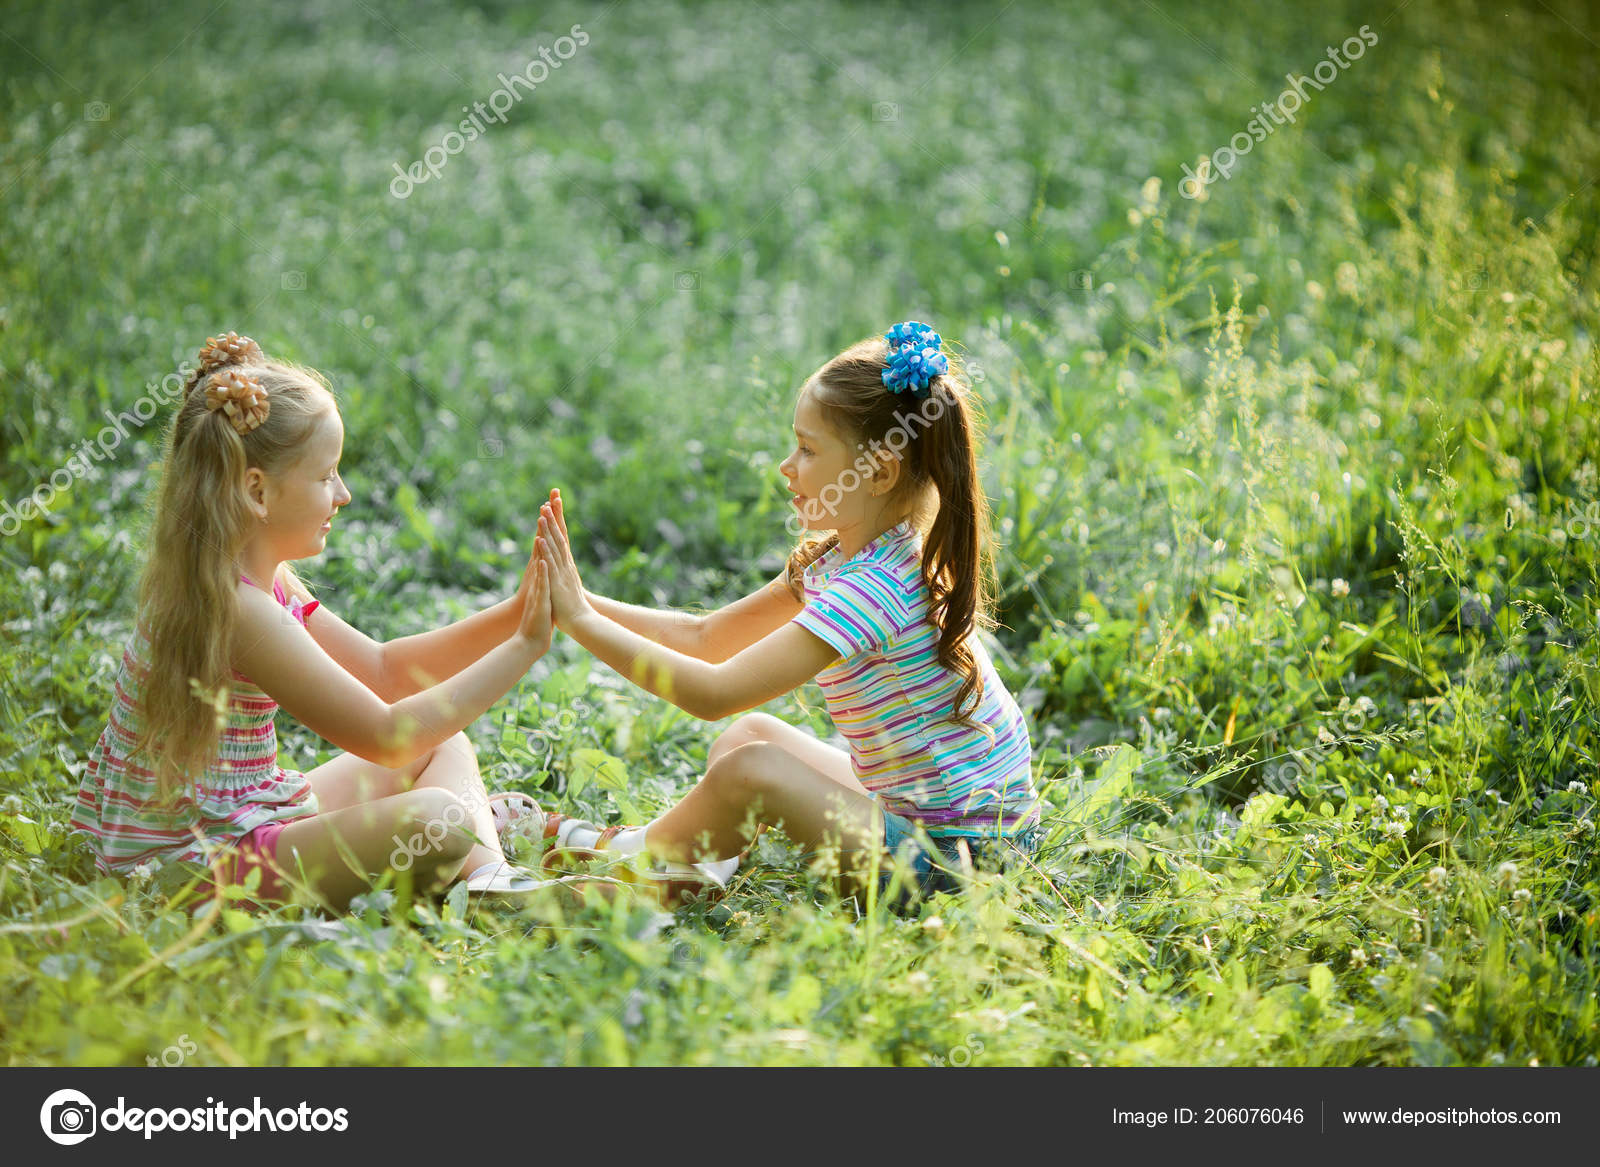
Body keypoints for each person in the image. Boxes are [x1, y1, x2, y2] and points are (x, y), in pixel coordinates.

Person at [532, 321, 1041, 905]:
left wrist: (580, 621)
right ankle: (687, 869)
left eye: (808, 448)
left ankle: (624, 856)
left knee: (751, 772)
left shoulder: (875, 586)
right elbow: (705, 638)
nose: (787, 465)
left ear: (878, 472)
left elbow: (712, 694)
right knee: (749, 738)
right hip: (914, 817)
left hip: (960, 862)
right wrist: (574, 599)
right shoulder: (837, 559)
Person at [69, 331, 562, 908]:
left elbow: (384, 669)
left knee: (444, 746)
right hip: (197, 868)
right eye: (326, 475)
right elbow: (388, 738)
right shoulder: (238, 610)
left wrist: (517, 612)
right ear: (258, 492)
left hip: (243, 815)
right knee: (440, 819)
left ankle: (491, 882)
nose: (343, 494)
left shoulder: (255, 576)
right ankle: (475, 850)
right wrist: (525, 646)